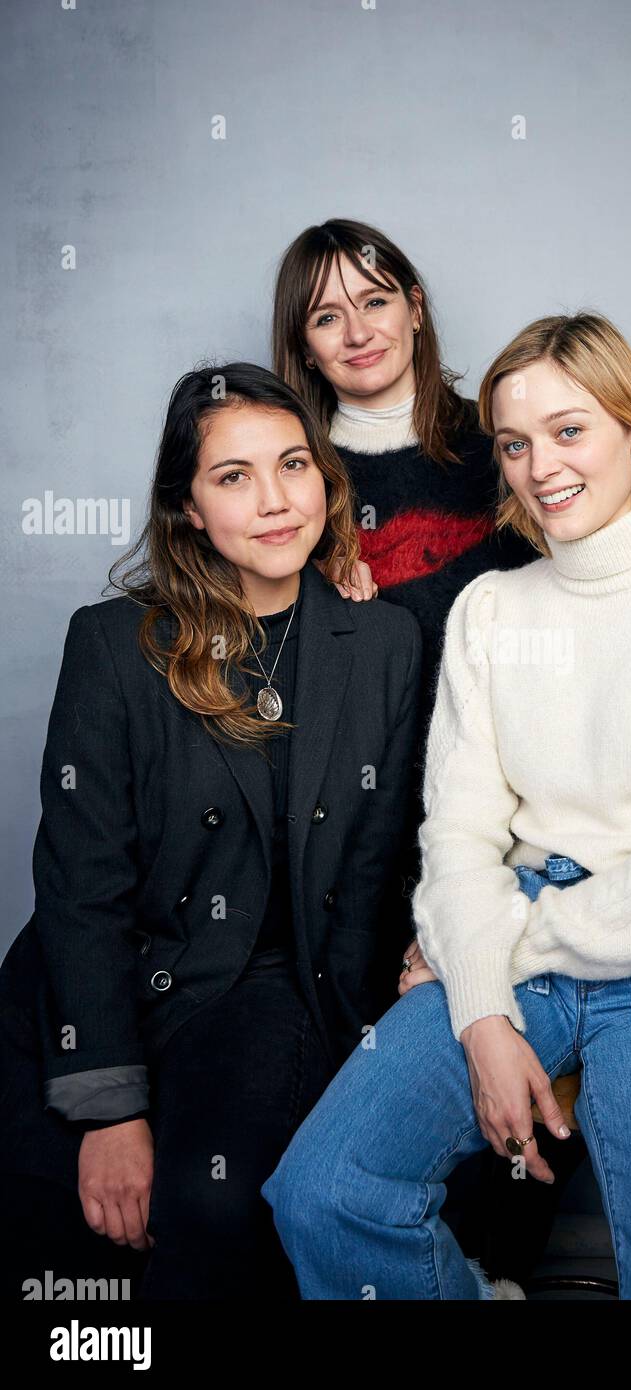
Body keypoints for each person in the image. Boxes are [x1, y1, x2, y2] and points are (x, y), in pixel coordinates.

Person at [262, 311, 631, 1300]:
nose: (538, 464)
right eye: (513, 443)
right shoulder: (491, 610)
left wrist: (496, 959)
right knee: (325, 1190)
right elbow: (457, 836)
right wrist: (481, 1013)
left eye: (568, 430)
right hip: (515, 940)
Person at [0, 363, 421, 1299]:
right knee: (63, 1235)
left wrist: (377, 1031)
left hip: (266, 990)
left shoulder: (384, 643)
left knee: (215, 1211)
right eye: (233, 477)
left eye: (295, 465)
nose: (276, 501)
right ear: (187, 507)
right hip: (101, 986)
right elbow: (80, 885)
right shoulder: (113, 644)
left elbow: (379, 862)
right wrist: (108, 1106)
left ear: (326, 479)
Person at [271, 218, 554, 1270]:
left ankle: (500, 1279)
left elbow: (583, 605)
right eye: (325, 315)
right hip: (353, 838)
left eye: (376, 300)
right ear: (301, 343)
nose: (357, 331)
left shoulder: (503, 446)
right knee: (361, 1095)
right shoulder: (293, 475)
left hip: (504, 823)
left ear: (416, 305)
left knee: (505, 1073)